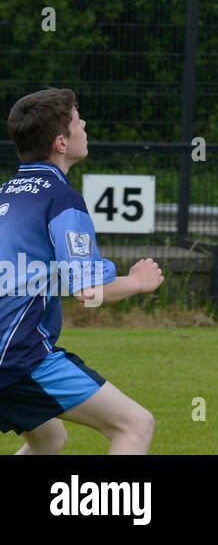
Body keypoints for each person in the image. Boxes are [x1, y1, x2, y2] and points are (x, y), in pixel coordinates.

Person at [1, 89, 164, 454]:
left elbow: (23, 274)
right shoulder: (61, 199)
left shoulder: (5, 195)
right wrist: (137, 282)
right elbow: (89, 292)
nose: (84, 124)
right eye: (77, 120)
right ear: (61, 142)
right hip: (18, 358)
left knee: (49, 437)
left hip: (8, 356)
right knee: (135, 425)